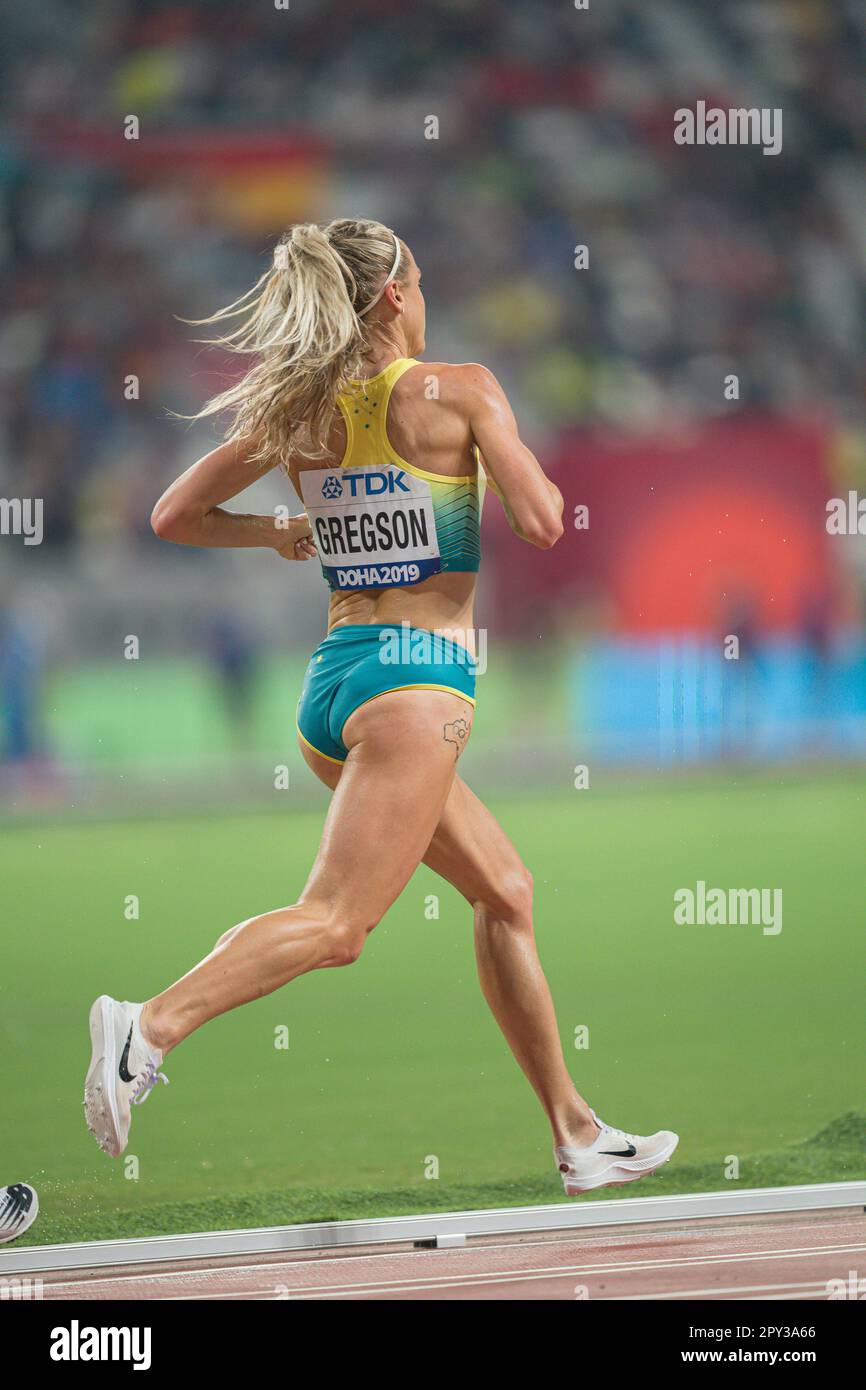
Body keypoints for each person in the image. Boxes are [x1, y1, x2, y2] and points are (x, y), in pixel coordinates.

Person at [84, 219, 677, 1196]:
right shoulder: (462, 389)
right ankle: (144, 1027)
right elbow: (541, 521)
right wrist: (494, 457)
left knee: (505, 891)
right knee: (337, 925)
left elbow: (171, 516)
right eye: (424, 278)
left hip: (338, 686)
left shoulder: (297, 405)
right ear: (397, 294)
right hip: (416, 689)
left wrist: (279, 528)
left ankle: (575, 1132)